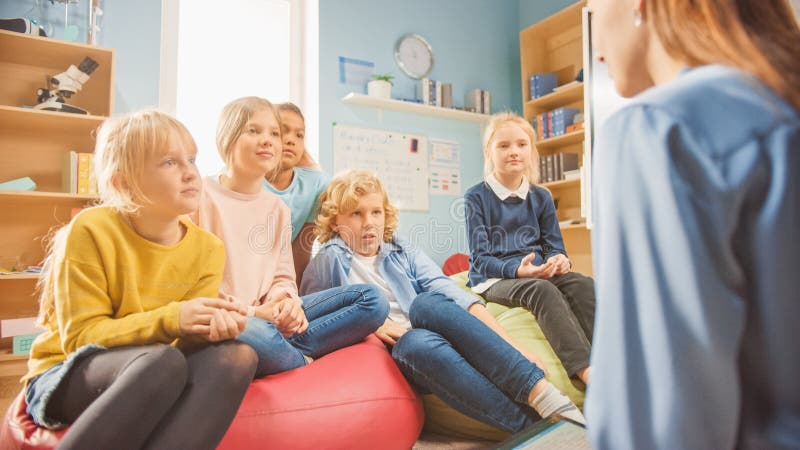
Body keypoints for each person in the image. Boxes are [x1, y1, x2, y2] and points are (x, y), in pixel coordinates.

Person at [584, 0, 800, 449]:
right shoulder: (779, 107)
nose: (594, 39)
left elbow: (656, 427)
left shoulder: (660, 129)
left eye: (591, 4)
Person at [21, 110, 257, 450]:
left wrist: (210, 327)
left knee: (236, 355)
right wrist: (175, 318)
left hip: (156, 369)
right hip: (66, 374)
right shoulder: (91, 229)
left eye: (191, 159)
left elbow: (180, 345)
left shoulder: (208, 249)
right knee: (161, 361)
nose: (191, 172)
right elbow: (81, 338)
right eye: (170, 163)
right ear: (123, 183)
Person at [301, 169, 585, 433]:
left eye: (376, 212)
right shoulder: (327, 261)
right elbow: (316, 324)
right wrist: (370, 326)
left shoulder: (401, 249)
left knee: (427, 303)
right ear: (336, 222)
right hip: (401, 351)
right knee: (415, 343)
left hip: (435, 331)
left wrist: (514, 348)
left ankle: (539, 391)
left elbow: (454, 296)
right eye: (356, 214)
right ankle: (537, 430)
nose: (369, 222)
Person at [194, 97, 387, 378]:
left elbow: (283, 275)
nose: (268, 140)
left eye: (274, 133)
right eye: (254, 131)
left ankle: (279, 350)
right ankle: (295, 359)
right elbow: (194, 290)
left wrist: (286, 301)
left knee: (372, 300)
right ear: (228, 138)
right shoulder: (199, 197)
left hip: (268, 315)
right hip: (232, 318)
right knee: (248, 330)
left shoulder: (278, 209)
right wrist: (256, 314)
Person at [464, 112, 595, 385]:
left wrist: (558, 260)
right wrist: (518, 270)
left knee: (583, 284)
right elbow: (480, 260)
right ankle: (585, 372)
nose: (514, 152)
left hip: (537, 272)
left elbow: (554, 245)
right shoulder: (476, 197)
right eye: (504, 145)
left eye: (522, 144)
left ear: (532, 150)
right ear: (489, 151)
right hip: (496, 278)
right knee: (541, 289)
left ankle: (609, 359)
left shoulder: (542, 196)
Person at [263, 102, 329, 285]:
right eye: (283, 131)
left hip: (283, 282)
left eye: (300, 135)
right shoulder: (245, 178)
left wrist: (294, 296)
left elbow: (302, 250)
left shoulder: (316, 184)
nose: (291, 140)